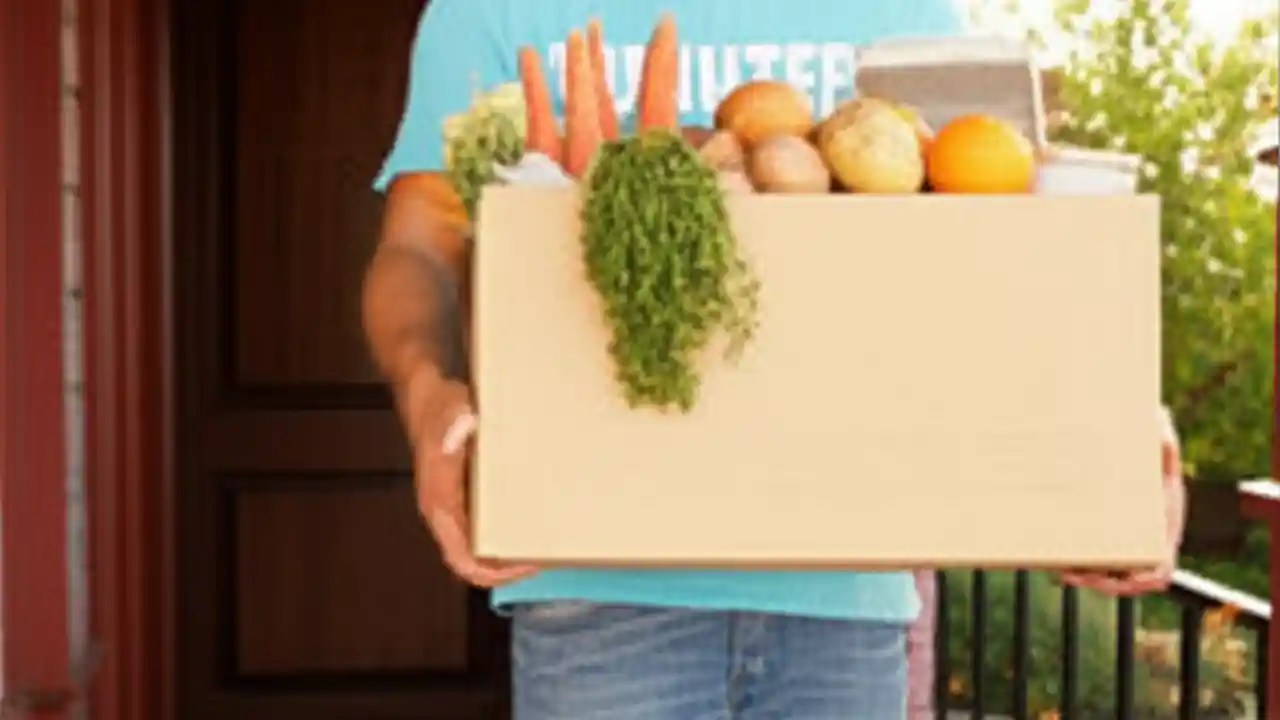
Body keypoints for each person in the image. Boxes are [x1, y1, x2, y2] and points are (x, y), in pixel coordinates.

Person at [361, 1, 1188, 717]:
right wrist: (428, 394)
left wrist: (1115, 425)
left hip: (848, 596)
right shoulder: (498, 9)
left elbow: (993, 254)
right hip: (596, 590)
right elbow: (419, 248)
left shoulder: (912, 12)